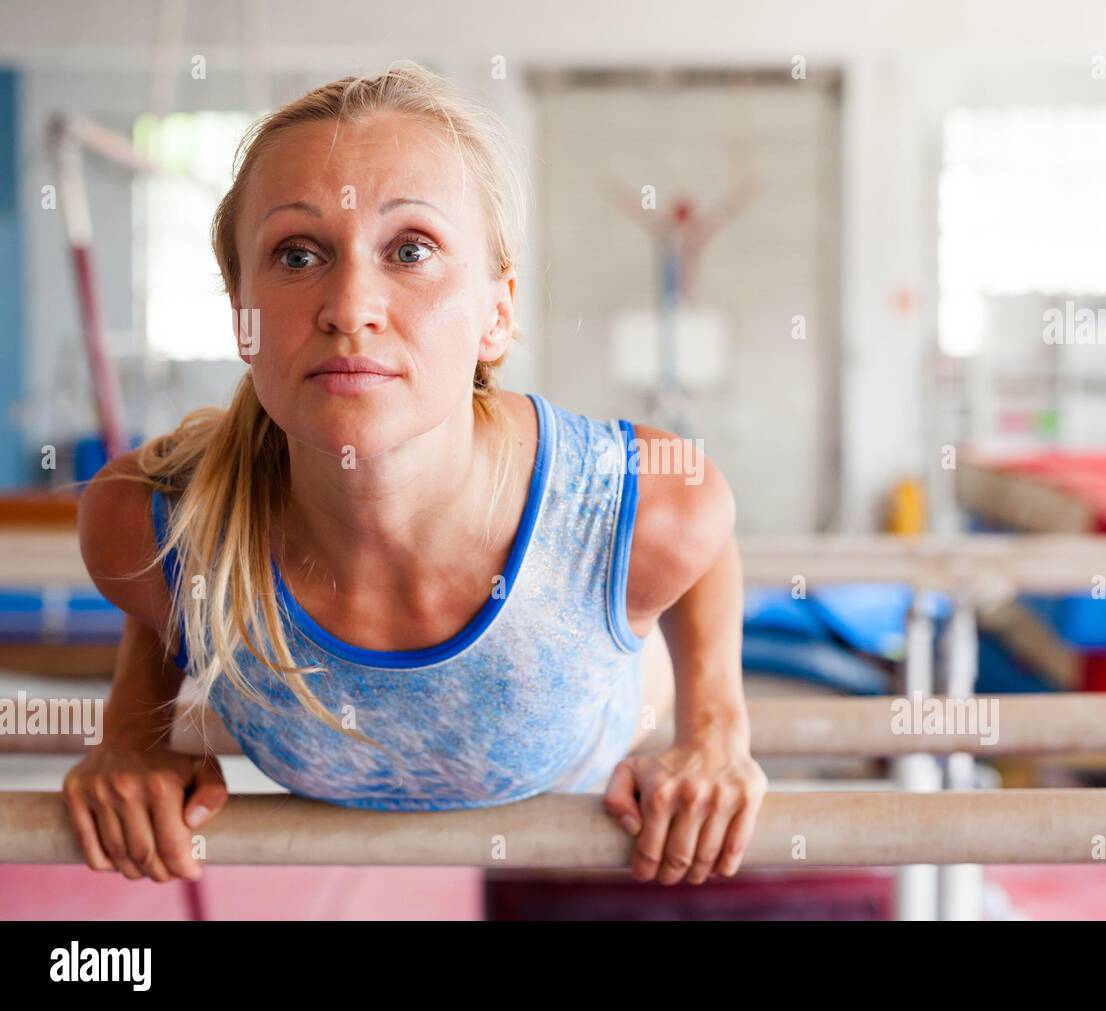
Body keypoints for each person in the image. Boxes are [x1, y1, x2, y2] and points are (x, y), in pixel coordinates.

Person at [64, 61, 766, 891]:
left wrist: (716, 725)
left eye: (411, 249)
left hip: (598, 706)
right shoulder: (142, 523)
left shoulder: (635, 507)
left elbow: (704, 530)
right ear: (241, 315)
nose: (350, 305)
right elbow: (173, 579)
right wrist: (133, 731)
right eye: (297, 254)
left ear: (496, 315)